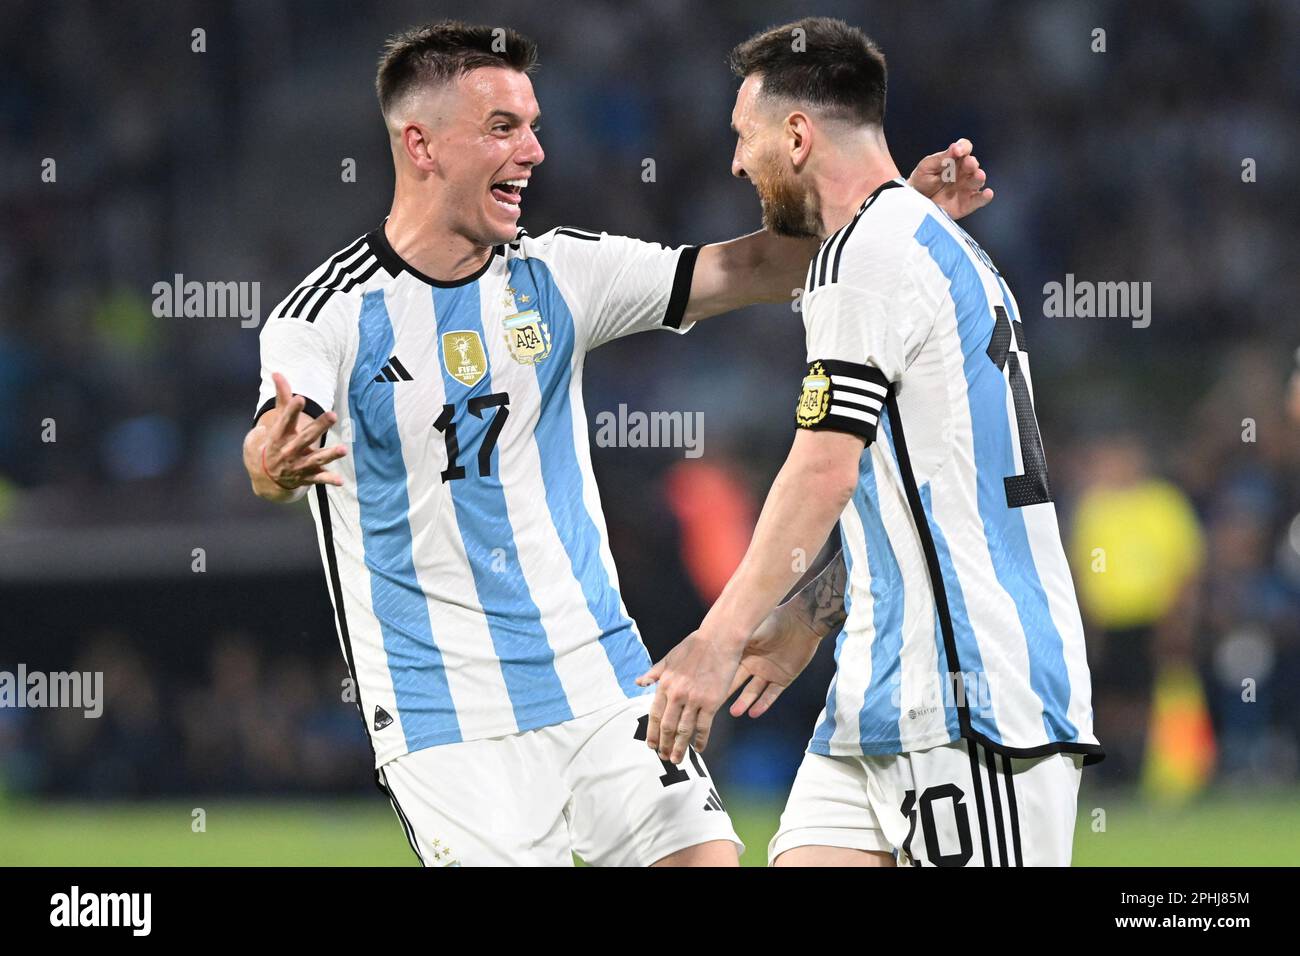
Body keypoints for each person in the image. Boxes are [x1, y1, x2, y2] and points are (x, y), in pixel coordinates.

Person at [242, 19, 991, 867]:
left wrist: (891, 216)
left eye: (532, 125)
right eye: (502, 128)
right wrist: (273, 460)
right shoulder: (331, 311)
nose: (533, 150)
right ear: (420, 145)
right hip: (445, 720)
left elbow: (744, 269)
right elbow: (276, 435)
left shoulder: (558, 273)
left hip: (603, 686)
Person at [642, 17, 1101, 867]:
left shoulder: (871, 256)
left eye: (744, 137)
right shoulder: (925, 244)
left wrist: (716, 638)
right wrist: (808, 617)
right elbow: (922, 492)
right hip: (878, 693)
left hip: (972, 697)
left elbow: (823, 470)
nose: (737, 163)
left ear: (797, 133)